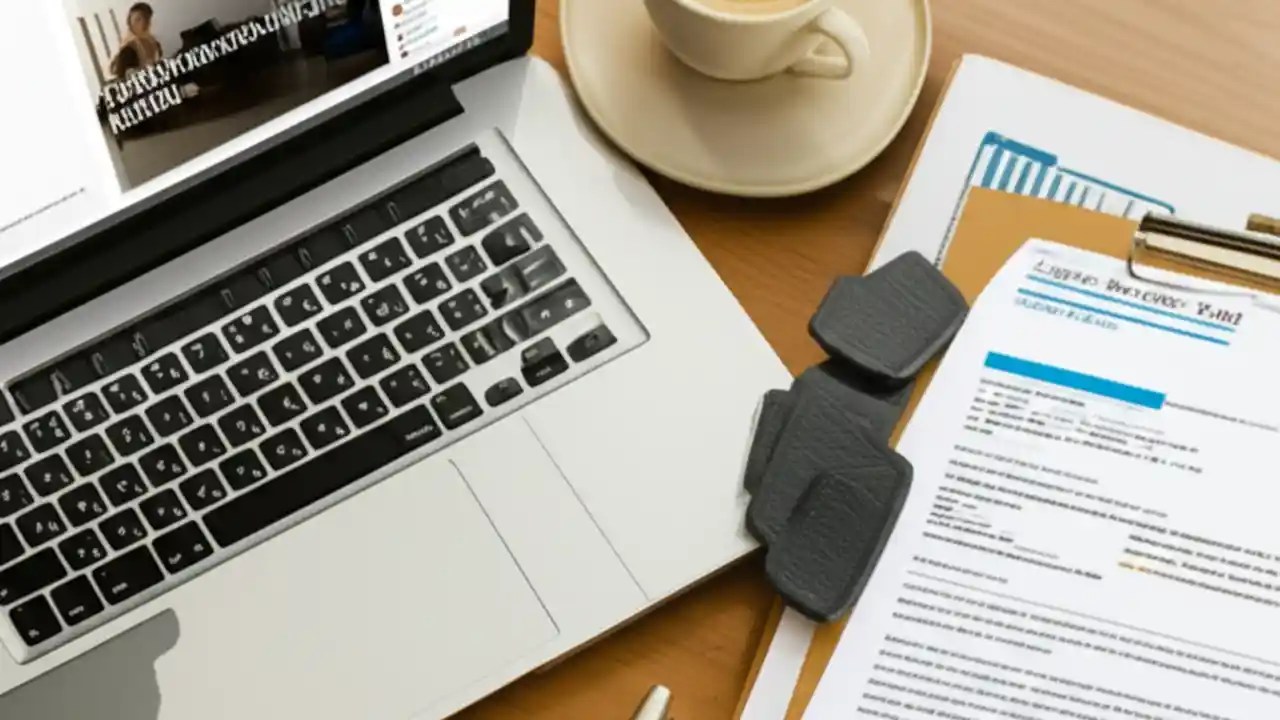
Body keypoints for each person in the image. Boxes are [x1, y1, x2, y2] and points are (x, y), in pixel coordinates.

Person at [110, 2, 162, 79]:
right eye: (138, 19)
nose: (144, 23)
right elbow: (124, 79)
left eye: (146, 18)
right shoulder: (128, 50)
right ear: (130, 24)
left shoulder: (156, 44)